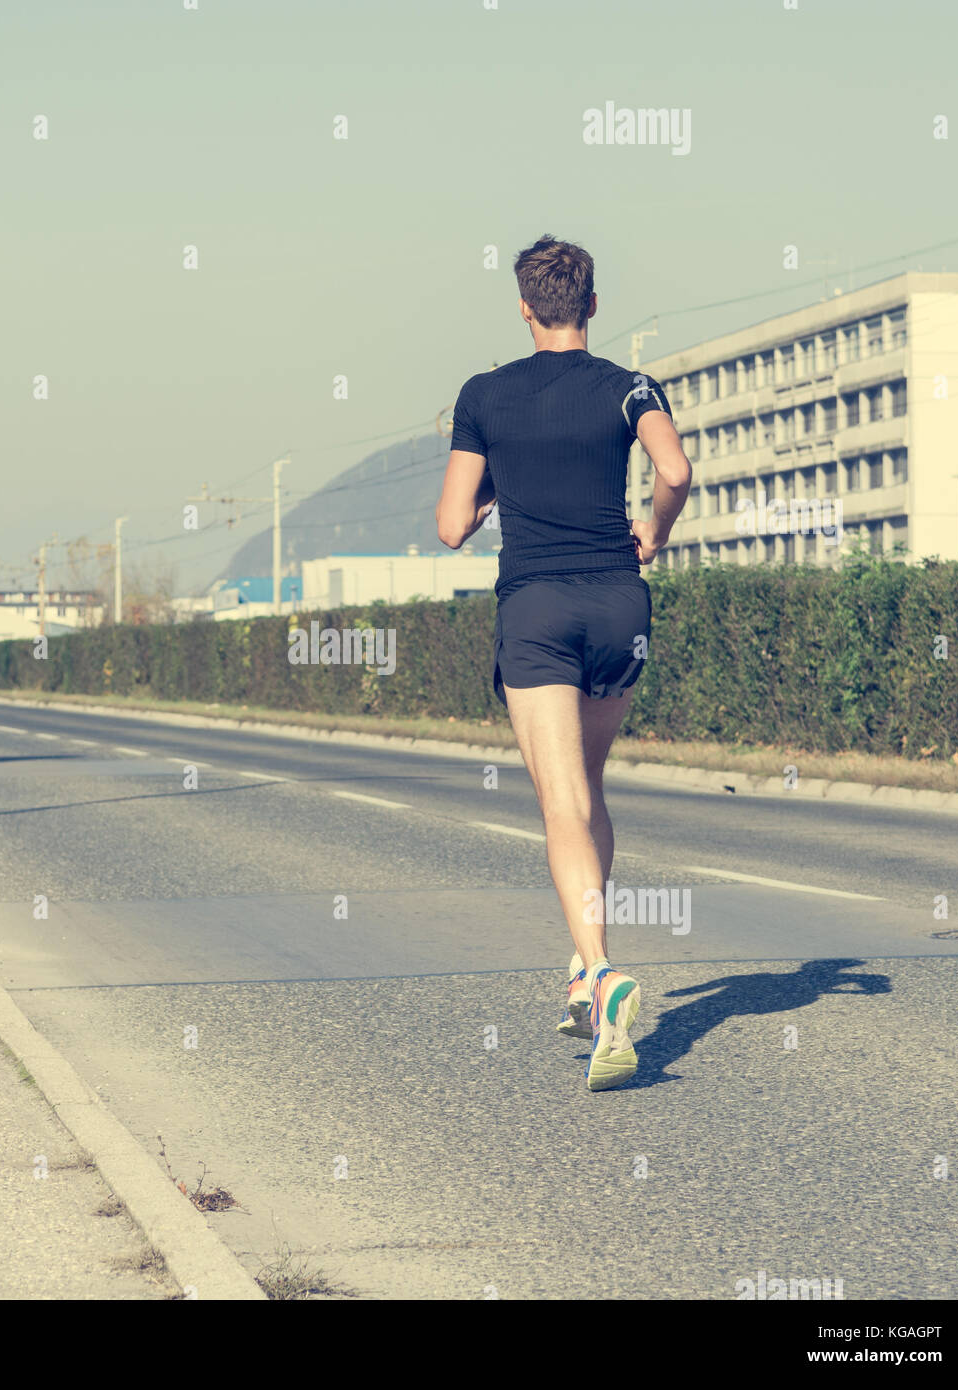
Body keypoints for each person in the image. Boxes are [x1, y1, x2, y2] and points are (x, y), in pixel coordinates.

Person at [436, 236, 692, 1092]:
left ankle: (604, 972)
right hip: (621, 606)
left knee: (561, 803)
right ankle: (585, 973)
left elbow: (449, 524)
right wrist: (654, 531)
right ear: (592, 304)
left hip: (538, 611)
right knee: (589, 788)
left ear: (523, 305)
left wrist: (501, 485)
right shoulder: (629, 386)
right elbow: (676, 469)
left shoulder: (484, 396)